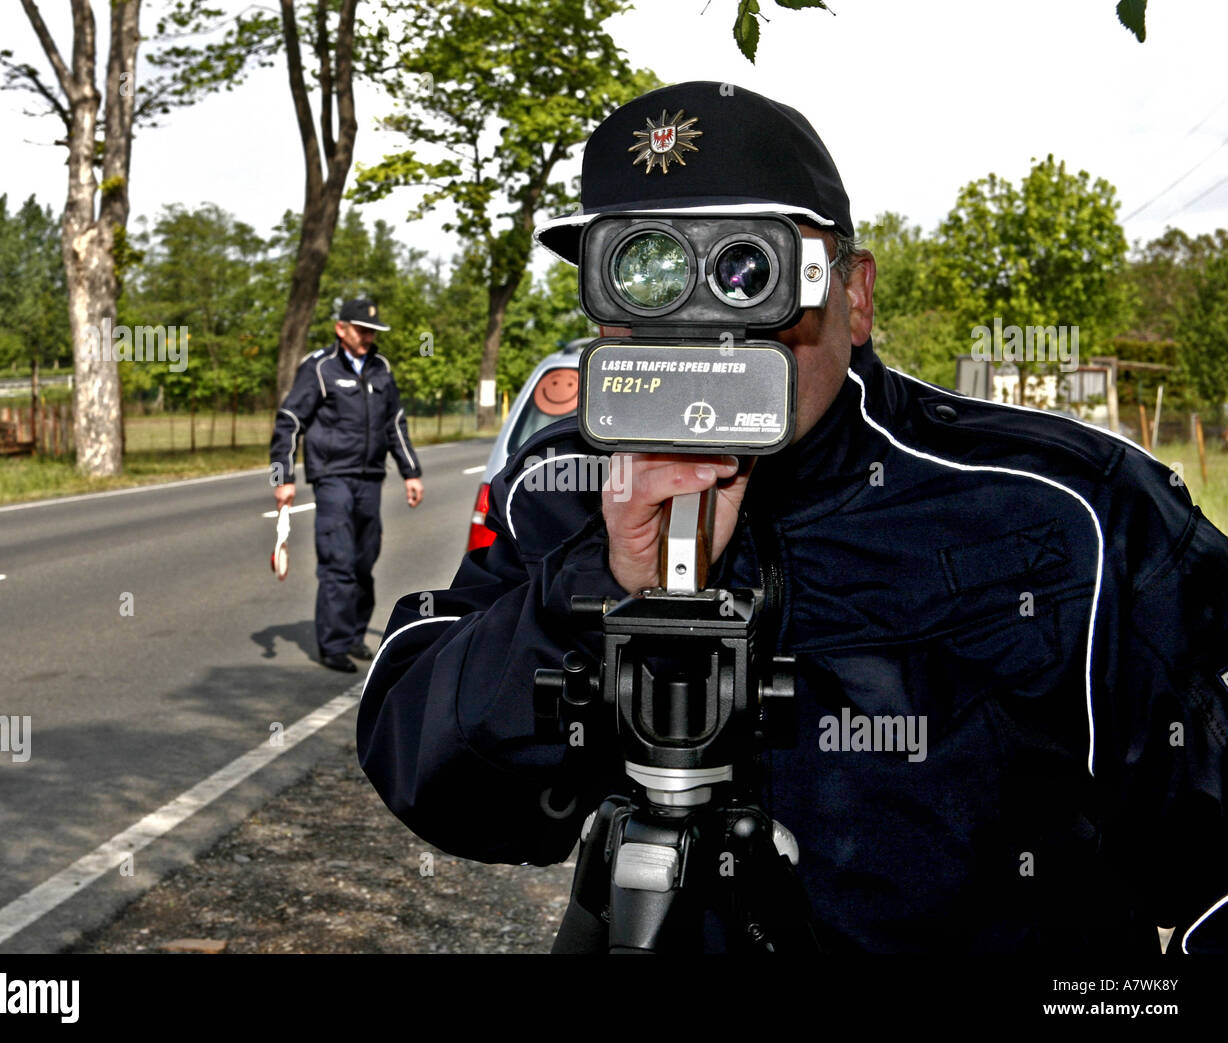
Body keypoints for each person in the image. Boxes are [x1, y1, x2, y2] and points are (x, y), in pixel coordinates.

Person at [354, 82, 1228, 953]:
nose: (701, 329)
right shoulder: (568, 488)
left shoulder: (1072, 506)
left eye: (746, 272)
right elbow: (435, 776)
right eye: (647, 272)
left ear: (854, 297)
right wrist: (592, 589)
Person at [270, 297, 424, 674]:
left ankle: (354, 633)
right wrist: (283, 477)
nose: (368, 337)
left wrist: (411, 472)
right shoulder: (319, 368)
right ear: (341, 329)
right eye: (362, 330)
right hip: (332, 477)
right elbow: (289, 420)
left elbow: (395, 424)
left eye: (373, 331)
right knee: (338, 559)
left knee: (363, 560)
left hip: (371, 477)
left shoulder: (380, 368)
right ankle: (333, 644)